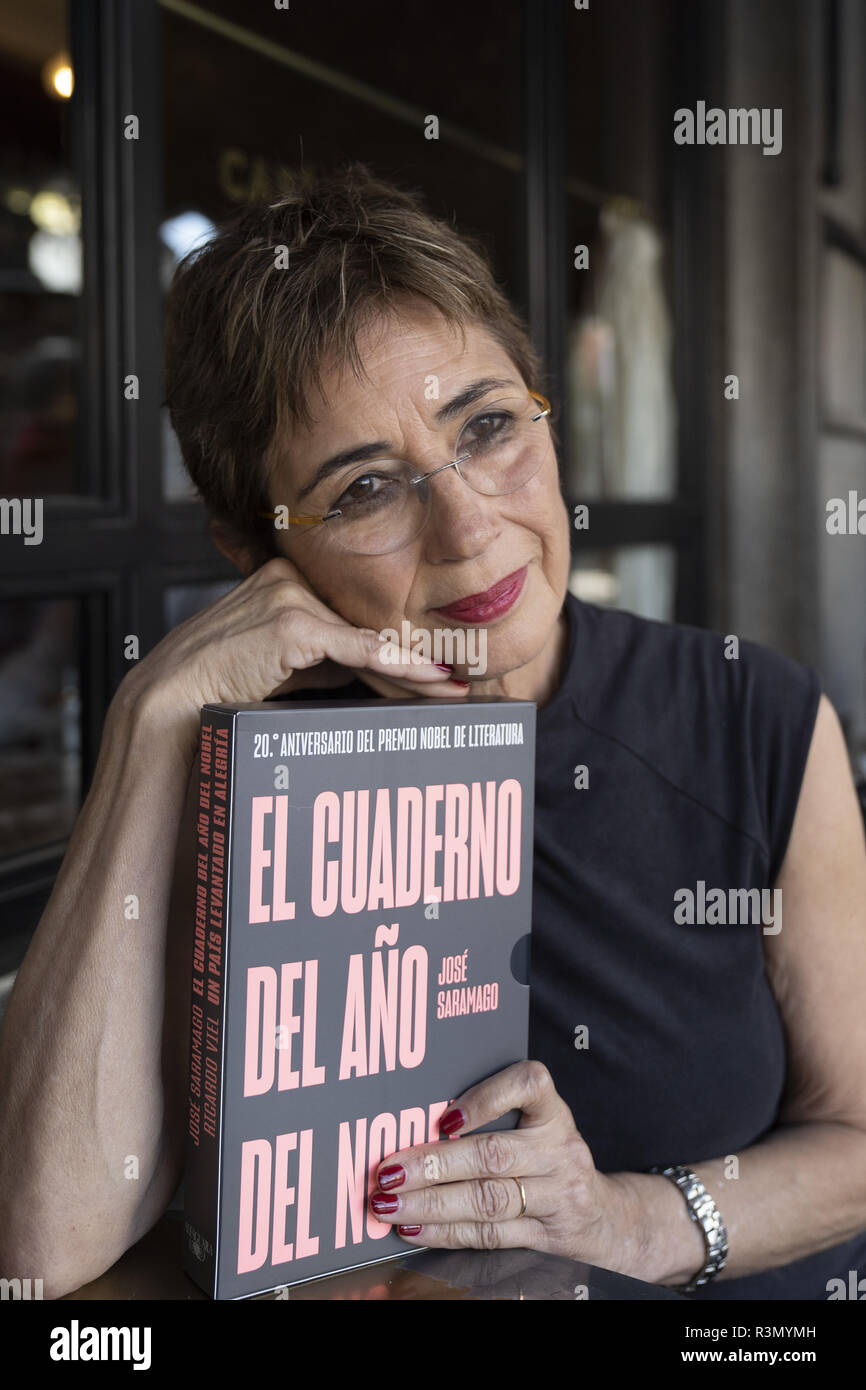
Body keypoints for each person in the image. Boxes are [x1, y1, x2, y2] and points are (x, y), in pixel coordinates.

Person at [1, 163, 865, 1301]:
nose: (467, 523)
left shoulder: (748, 713)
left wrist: (630, 1221)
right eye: (363, 490)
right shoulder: (246, 775)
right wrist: (149, 719)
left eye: (489, 425)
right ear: (254, 554)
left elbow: (855, 1137)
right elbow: (35, 1256)